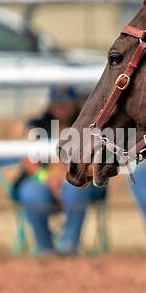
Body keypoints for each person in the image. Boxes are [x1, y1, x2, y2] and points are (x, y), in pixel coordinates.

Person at [11, 87, 103, 256]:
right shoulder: (36, 126)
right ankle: (45, 248)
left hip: (75, 178)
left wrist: (65, 177)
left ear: (74, 104)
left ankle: (68, 246)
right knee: (31, 193)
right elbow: (28, 161)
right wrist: (46, 178)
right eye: (57, 104)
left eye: (65, 104)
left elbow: (94, 159)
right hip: (42, 179)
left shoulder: (89, 125)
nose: (60, 108)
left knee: (75, 188)